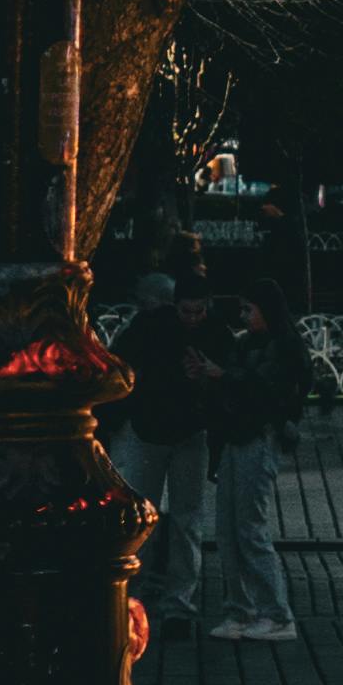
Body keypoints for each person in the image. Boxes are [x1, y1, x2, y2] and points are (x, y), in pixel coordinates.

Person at [201, 269, 316, 643]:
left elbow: (267, 392)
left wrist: (223, 377)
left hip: (257, 437)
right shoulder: (247, 343)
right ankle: (241, 609)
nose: (243, 317)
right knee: (228, 528)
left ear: (267, 310)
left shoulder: (281, 347)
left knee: (249, 527)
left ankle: (276, 613)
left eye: (249, 310)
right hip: (236, 437)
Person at [112, 243, 220, 634]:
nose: (192, 317)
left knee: (172, 517)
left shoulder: (201, 331)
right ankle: (154, 597)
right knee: (157, 517)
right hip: (157, 432)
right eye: (186, 310)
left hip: (178, 432)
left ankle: (169, 601)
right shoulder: (152, 328)